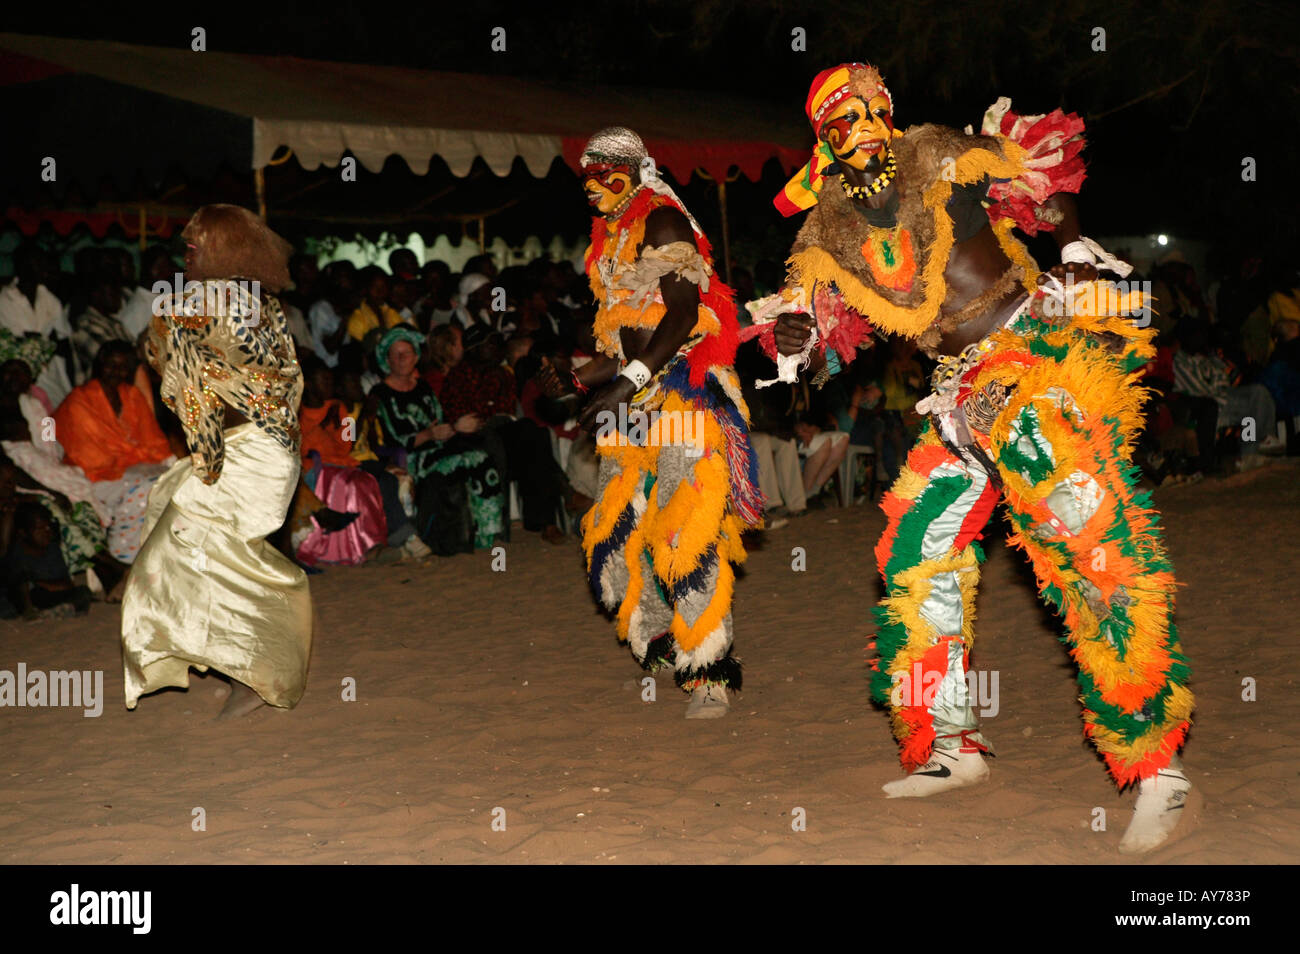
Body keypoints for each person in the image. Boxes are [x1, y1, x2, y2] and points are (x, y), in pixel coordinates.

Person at [757, 63, 1193, 852]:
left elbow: (1042, 183)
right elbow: (826, 348)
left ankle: (1157, 766)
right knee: (915, 556)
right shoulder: (824, 233)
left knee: (1083, 535)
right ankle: (949, 746)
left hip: (1028, 353)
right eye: (833, 120)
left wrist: (1075, 244)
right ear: (818, 139)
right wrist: (801, 344)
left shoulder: (935, 153)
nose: (852, 126)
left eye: (863, 110)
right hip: (958, 395)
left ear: (887, 113)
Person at [539, 127, 762, 718]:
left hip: (686, 393)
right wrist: (580, 378)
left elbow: (684, 317)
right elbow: (629, 339)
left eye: (606, 176)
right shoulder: (609, 239)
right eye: (586, 180)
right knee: (622, 524)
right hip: (638, 400)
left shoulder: (662, 222)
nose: (593, 190)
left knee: (685, 527)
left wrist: (623, 383)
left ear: (637, 171)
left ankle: (709, 671)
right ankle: (664, 639)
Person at [122, 204, 313, 720]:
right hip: (262, 452)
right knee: (202, 549)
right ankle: (236, 667)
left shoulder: (206, 302)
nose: (185, 251)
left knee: (191, 552)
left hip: (251, 455)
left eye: (195, 243)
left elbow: (154, 346)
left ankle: (256, 673)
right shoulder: (263, 303)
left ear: (225, 247)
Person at [370, 326, 504, 554]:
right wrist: (430, 435)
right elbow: (393, 441)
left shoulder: (422, 387)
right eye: (396, 354)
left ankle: (486, 533)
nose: (403, 359)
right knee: (454, 465)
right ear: (387, 359)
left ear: (416, 357)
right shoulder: (380, 395)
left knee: (481, 459)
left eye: (407, 353)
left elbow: (439, 420)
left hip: (441, 447)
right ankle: (453, 537)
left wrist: (454, 427)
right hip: (413, 457)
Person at [54, 341, 175, 562]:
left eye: (122, 367)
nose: (115, 372)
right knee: (147, 488)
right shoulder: (79, 400)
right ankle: (123, 558)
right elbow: (89, 455)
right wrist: (136, 458)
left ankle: (160, 558)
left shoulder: (132, 395)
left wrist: (171, 464)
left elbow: (153, 439)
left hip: (134, 469)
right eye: (110, 365)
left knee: (175, 479)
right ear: (100, 365)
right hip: (94, 475)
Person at [0, 244, 74, 406]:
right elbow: (11, 342)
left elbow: (63, 341)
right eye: (37, 263)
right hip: (16, 381)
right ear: (22, 266)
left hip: (51, 375)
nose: (43, 267)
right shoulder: (5, 299)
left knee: (51, 421)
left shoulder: (50, 300)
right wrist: (40, 342)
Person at [71, 275, 131, 385]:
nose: (119, 299)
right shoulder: (85, 324)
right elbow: (115, 358)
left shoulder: (115, 323)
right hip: (96, 392)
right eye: (113, 294)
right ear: (96, 295)